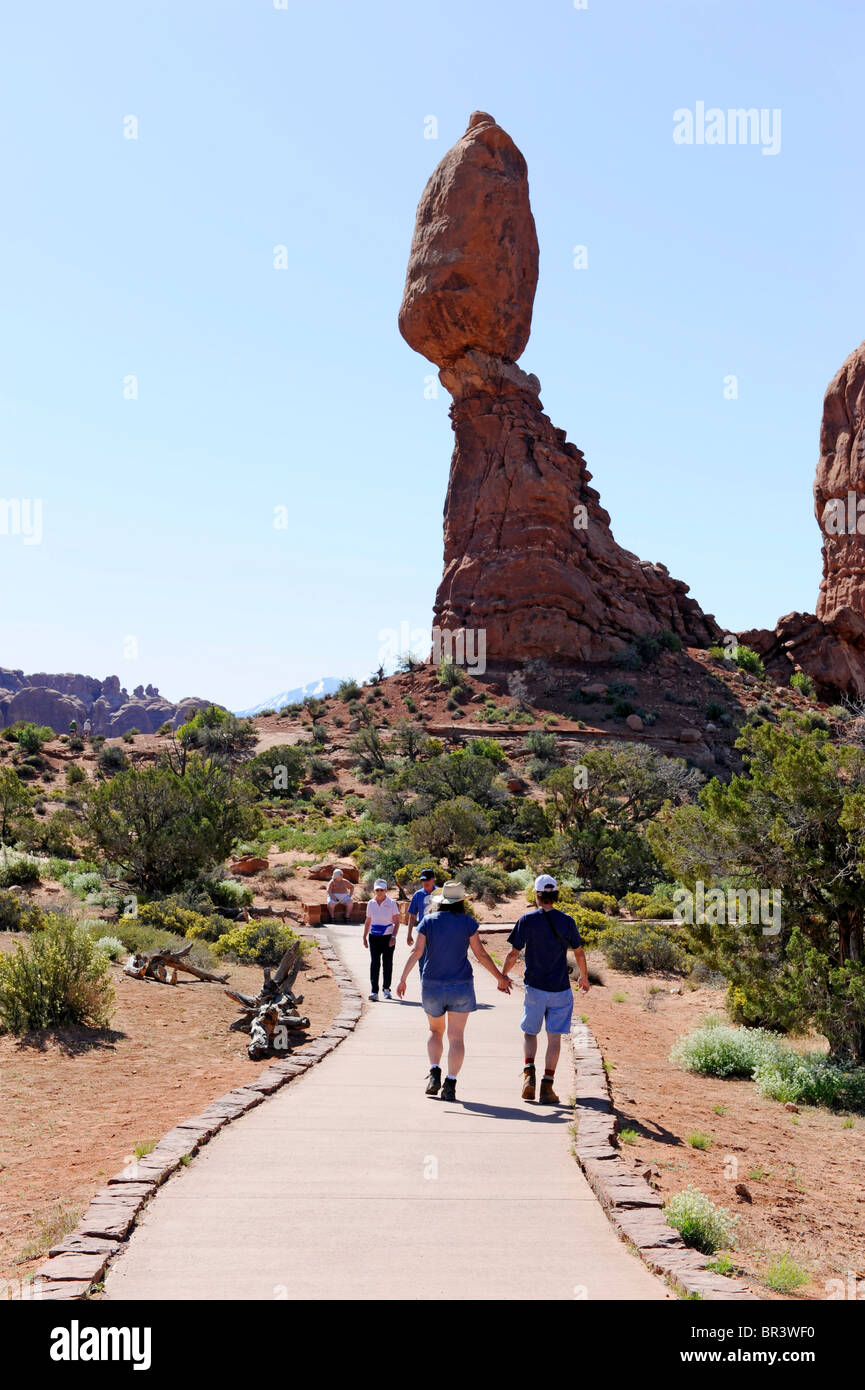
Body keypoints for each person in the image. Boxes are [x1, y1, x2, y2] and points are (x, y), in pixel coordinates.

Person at [397, 881, 512, 1102]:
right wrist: (500, 978)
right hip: (461, 985)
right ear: (461, 902)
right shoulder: (468, 923)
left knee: (435, 1031)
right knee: (456, 1037)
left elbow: (417, 951)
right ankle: (450, 1083)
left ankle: (434, 1072)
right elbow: (481, 954)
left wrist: (403, 979)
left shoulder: (428, 921)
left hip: (432, 984)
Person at [501, 874, 590, 1105]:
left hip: (535, 988)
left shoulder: (527, 920)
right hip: (560, 988)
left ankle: (528, 1074)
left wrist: (503, 975)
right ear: (556, 895)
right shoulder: (567, 921)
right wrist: (584, 978)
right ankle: (547, 1087)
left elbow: (513, 953)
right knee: (554, 1038)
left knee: (531, 1033)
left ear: (537, 895)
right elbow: (578, 952)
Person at [363, 878, 400, 1001]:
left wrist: (393, 937)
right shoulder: (371, 903)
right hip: (373, 936)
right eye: (377, 890)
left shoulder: (392, 903)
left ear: (386, 890)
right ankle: (374, 991)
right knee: (374, 963)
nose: (379, 892)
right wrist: (364, 936)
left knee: (387, 963)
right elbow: (368, 921)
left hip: (388, 936)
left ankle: (386, 989)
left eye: (381, 890)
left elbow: (397, 922)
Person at [406, 868, 437, 987]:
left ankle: (438, 991)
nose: (425, 883)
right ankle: (425, 989)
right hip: (422, 933)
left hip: (438, 933)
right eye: (423, 880)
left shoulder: (440, 893)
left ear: (433, 879)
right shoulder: (418, 895)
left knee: (437, 962)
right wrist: (409, 934)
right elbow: (412, 915)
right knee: (422, 961)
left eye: (427, 880)